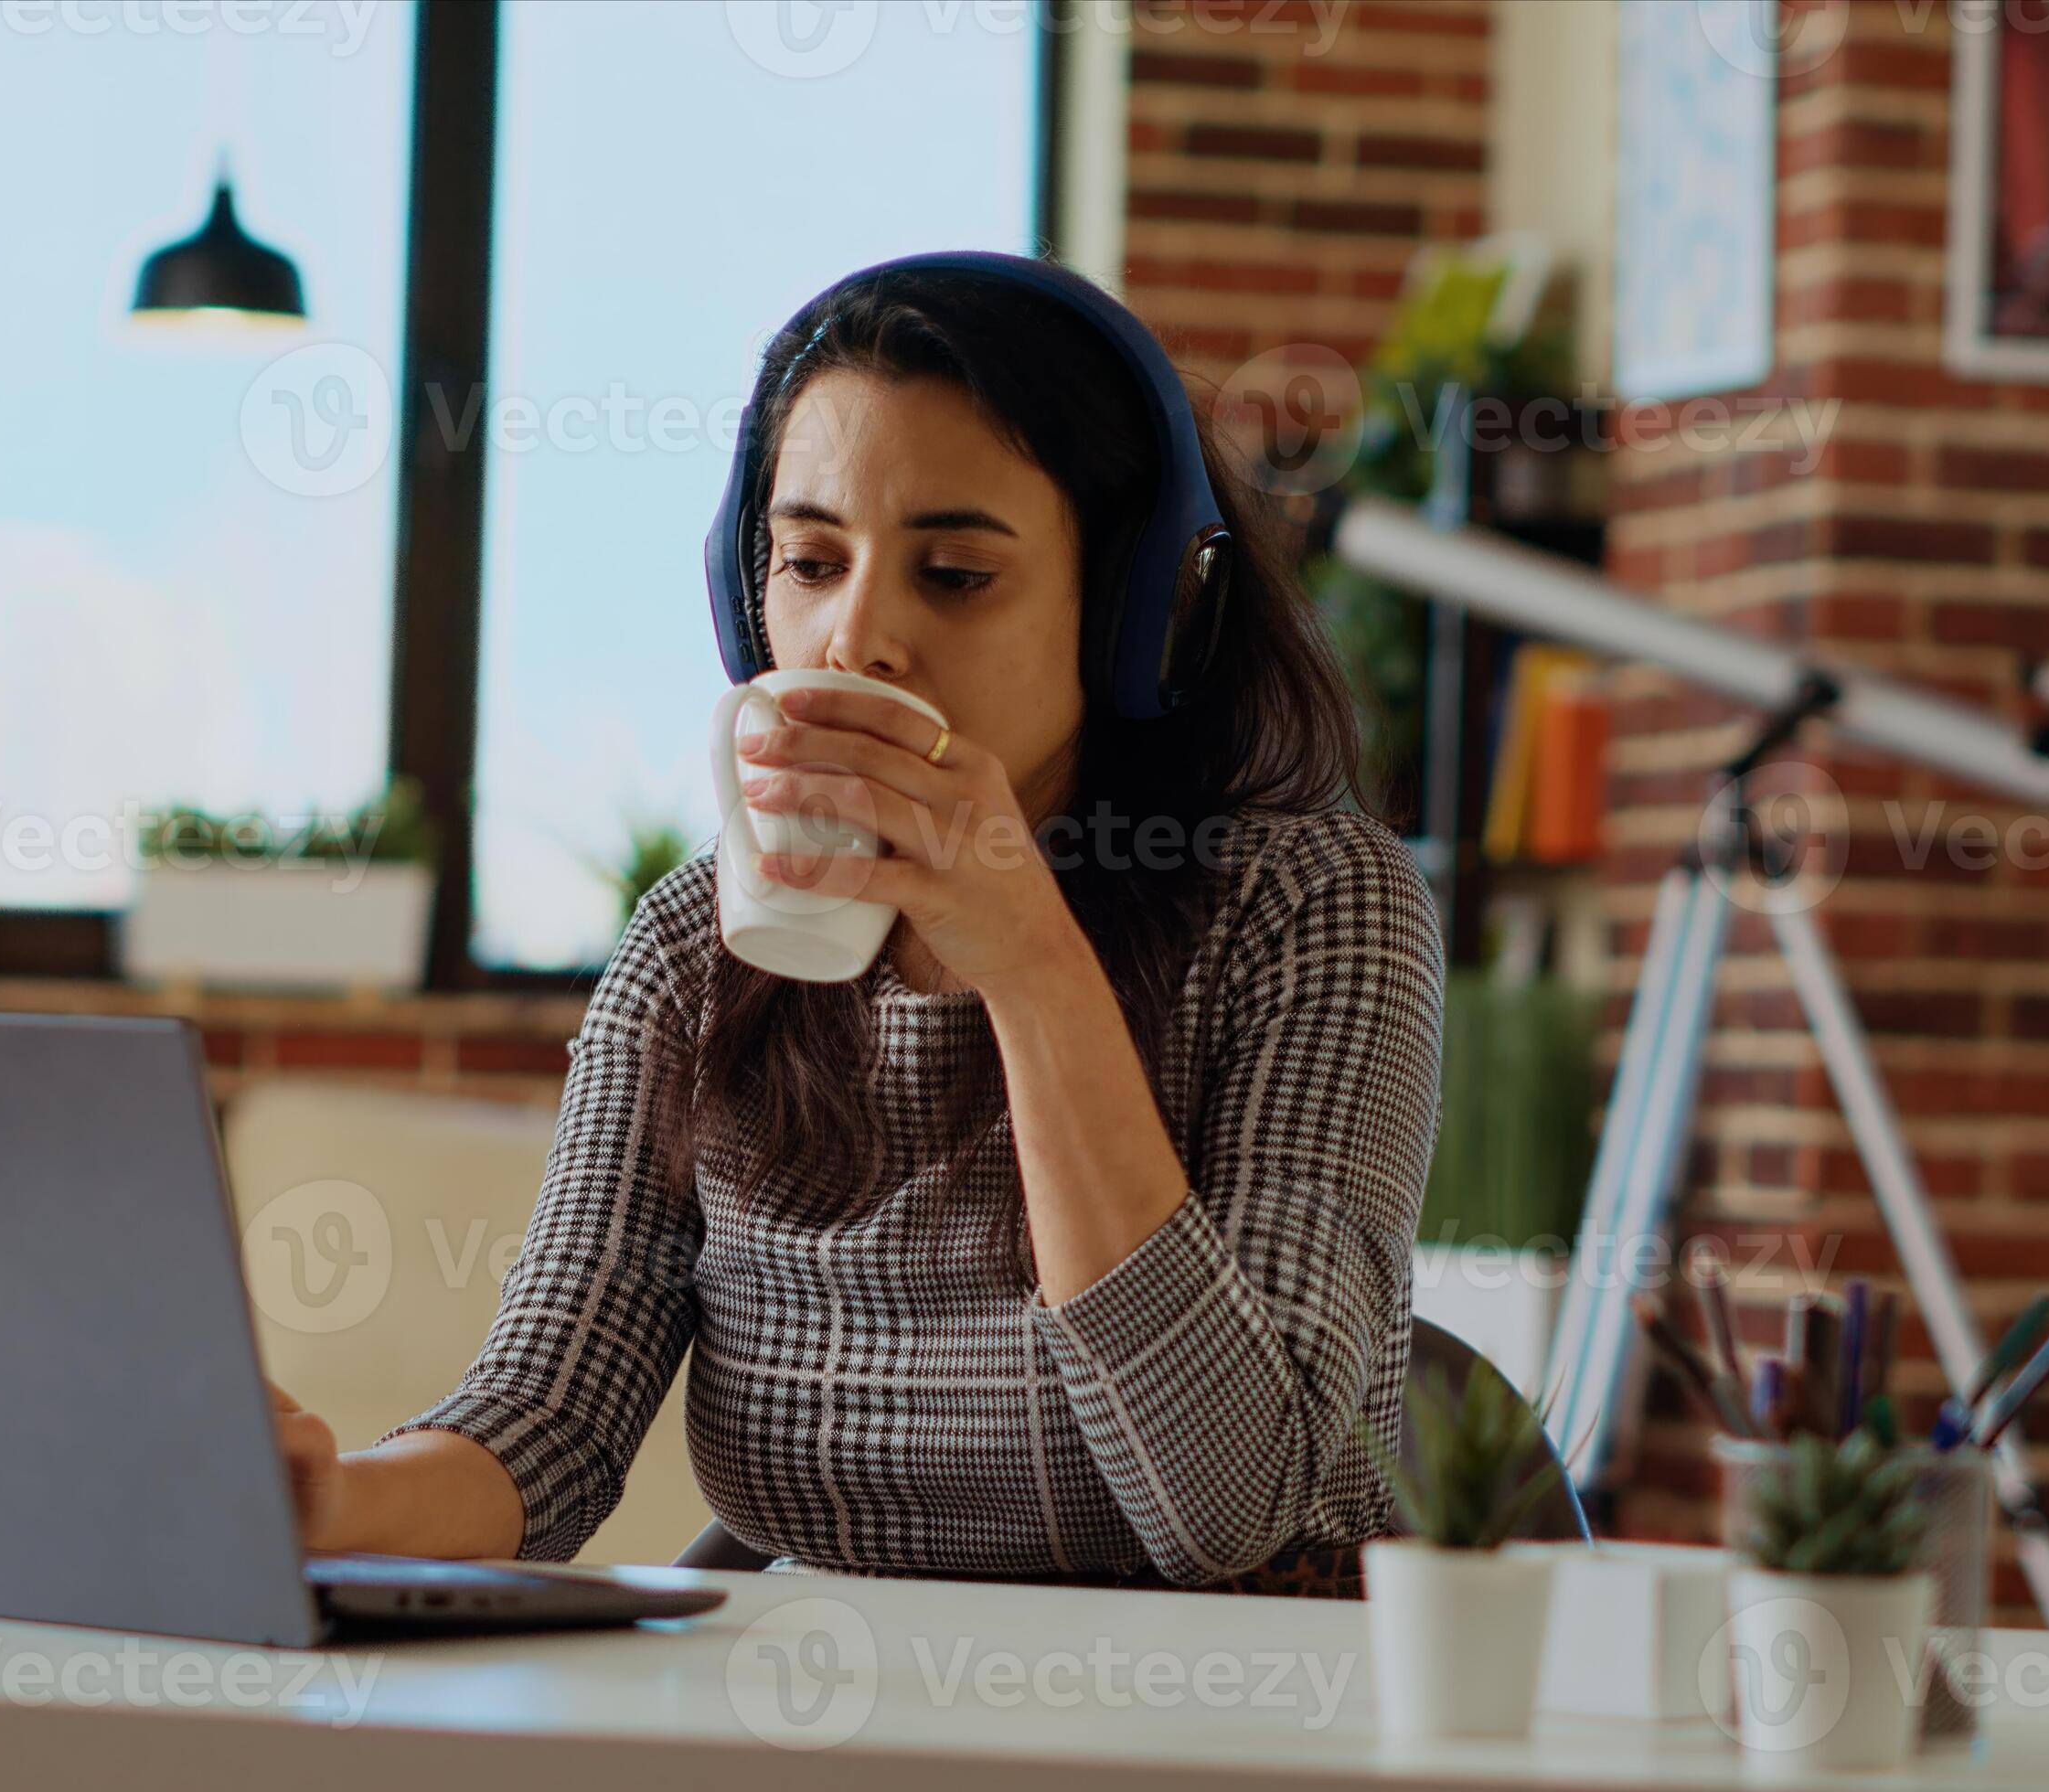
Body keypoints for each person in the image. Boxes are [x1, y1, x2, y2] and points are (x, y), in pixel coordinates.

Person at [270, 254, 1445, 1592]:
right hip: (838, 1707)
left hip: (1237, 1714)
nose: (854, 638)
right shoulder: (691, 946)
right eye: (811, 562)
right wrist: (324, 1502)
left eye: (951, 573)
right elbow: (544, 1428)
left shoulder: (1311, 904)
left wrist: (1029, 963)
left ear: (1132, 610)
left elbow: (1229, 1504)